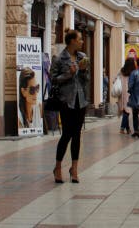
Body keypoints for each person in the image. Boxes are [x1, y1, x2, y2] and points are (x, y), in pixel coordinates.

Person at [51, 29, 90, 183]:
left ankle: (74, 168)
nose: (82, 41)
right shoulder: (60, 59)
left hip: (81, 100)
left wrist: (82, 71)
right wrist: (69, 73)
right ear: (72, 41)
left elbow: (86, 79)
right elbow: (53, 79)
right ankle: (58, 167)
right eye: (79, 39)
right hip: (66, 101)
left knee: (76, 135)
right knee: (66, 134)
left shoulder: (83, 57)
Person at [117, 58, 136, 134]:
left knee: (125, 110)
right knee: (127, 111)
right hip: (129, 93)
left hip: (121, 93)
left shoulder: (121, 70)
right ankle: (122, 128)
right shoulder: (133, 72)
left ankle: (128, 129)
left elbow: (115, 79)